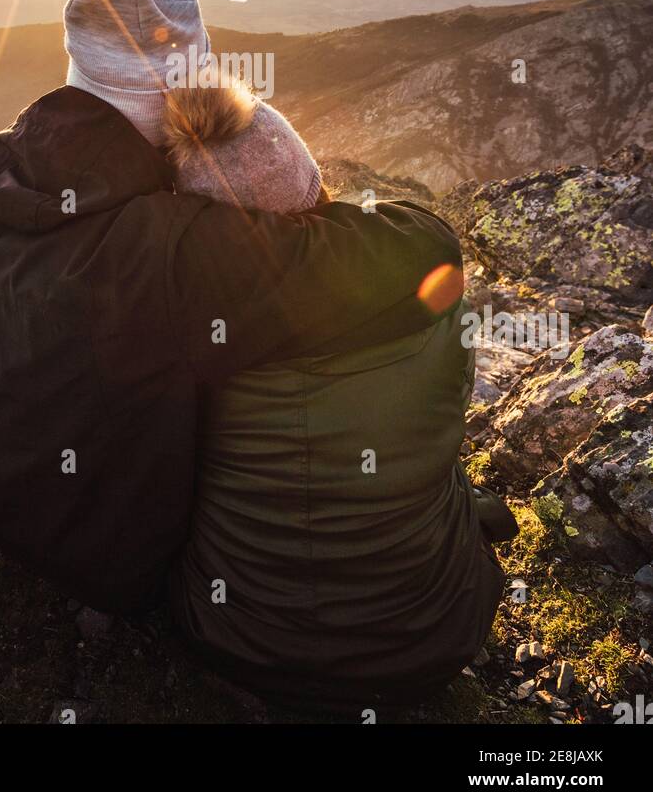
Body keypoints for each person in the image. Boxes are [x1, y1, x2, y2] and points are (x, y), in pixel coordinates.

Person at [0, 0, 467, 622]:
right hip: (104, 566)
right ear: (188, 91)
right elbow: (424, 250)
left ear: (73, 68)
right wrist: (288, 213)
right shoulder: (163, 246)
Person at [163, 77, 513, 715]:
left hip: (236, 639)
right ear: (311, 181)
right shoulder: (431, 285)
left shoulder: (186, 333)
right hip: (436, 631)